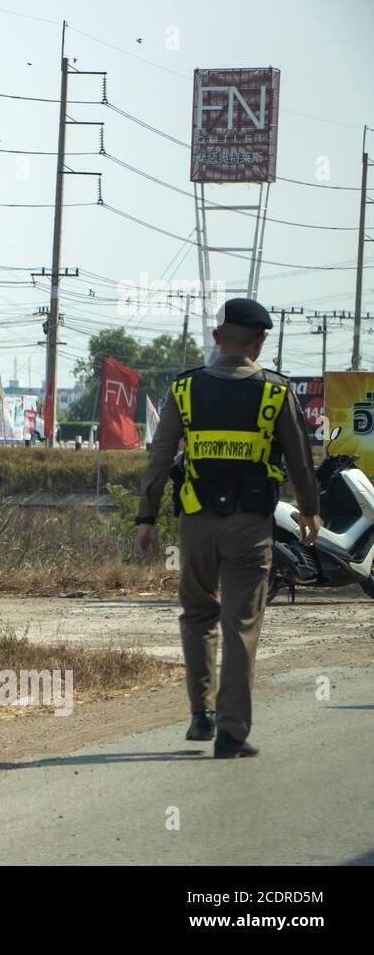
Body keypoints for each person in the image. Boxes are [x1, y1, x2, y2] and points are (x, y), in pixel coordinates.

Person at [137, 298, 321, 758]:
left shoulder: (184, 390)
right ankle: (231, 731)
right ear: (259, 341)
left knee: (197, 615)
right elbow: (299, 459)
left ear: (218, 339)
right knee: (240, 623)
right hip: (250, 526)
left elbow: (159, 457)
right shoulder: (277, 393)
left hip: (195, 522)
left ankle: (201, 715)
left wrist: (145, 517)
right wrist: (309, 511)